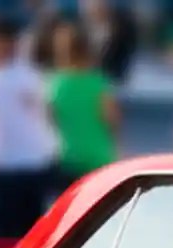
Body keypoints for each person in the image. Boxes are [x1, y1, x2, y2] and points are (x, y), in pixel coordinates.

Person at [0, 16, 59, 238]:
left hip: (27, 168)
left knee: (24, 235)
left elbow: (44, 111)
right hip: (7, 166)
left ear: (5, 43)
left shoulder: (23, 75)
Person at [47, 22, 120, 190]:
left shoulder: (55, 84)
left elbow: (51, 120)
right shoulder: (98, 82)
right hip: (98, 159)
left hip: (67, 159)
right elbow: (112, 120)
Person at [81, 0, 138, 83]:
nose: (95, 5)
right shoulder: (77, 31)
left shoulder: (123, 30)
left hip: (115, 82)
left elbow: (126, 59)